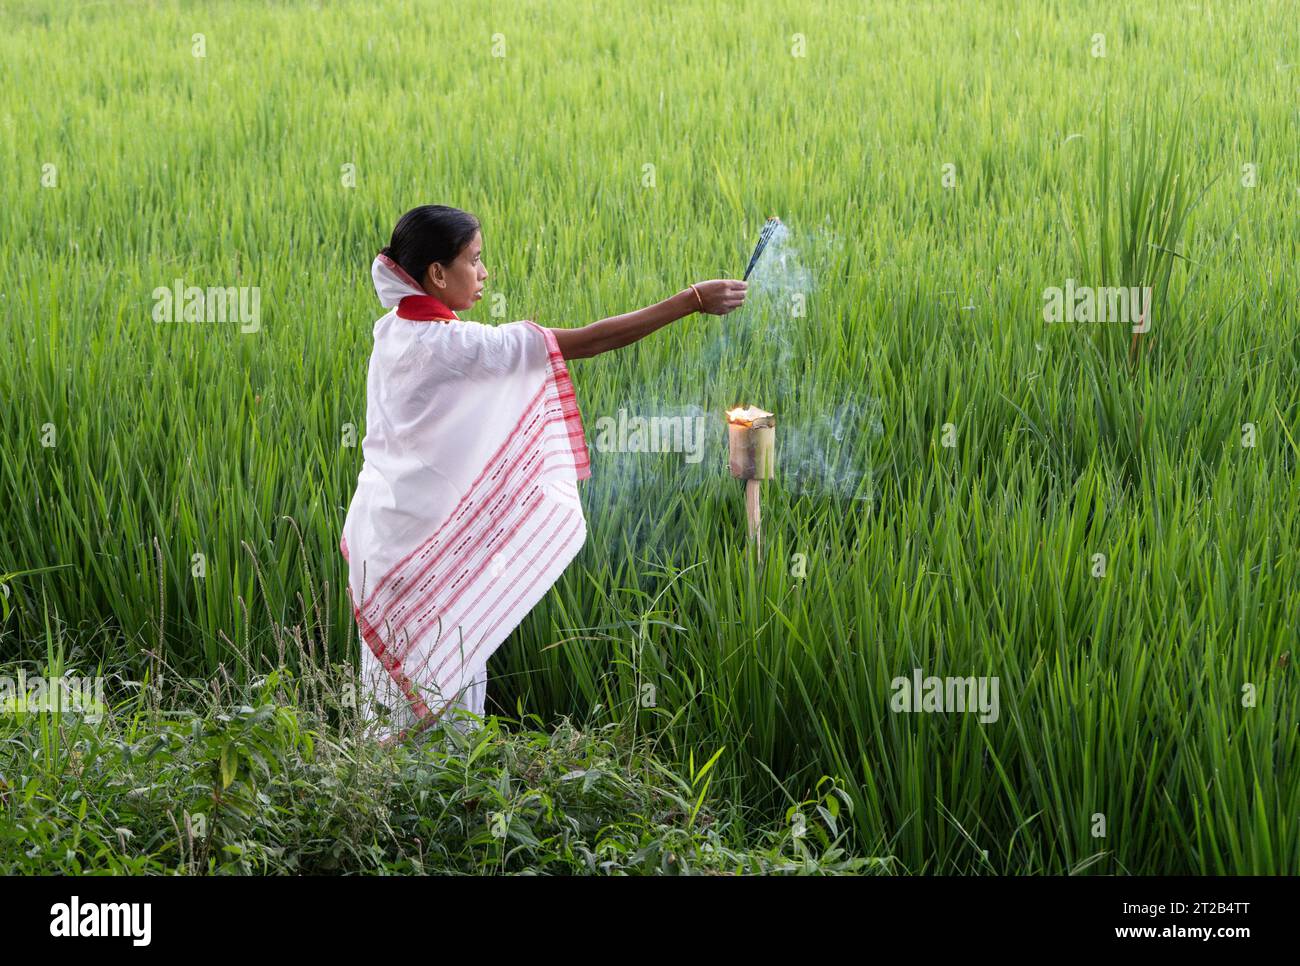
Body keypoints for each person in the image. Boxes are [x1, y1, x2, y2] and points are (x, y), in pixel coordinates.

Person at [341, 204, 747, 744]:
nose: (484, 274)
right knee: (444, 693)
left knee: (401, 699)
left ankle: (383, 807)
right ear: (437, 274)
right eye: (475, 261)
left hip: (385, 544)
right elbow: (587, 341)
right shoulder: (455, 345)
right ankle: (433, 813)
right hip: (426, 555)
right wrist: (691, 300)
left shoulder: (394, 328)